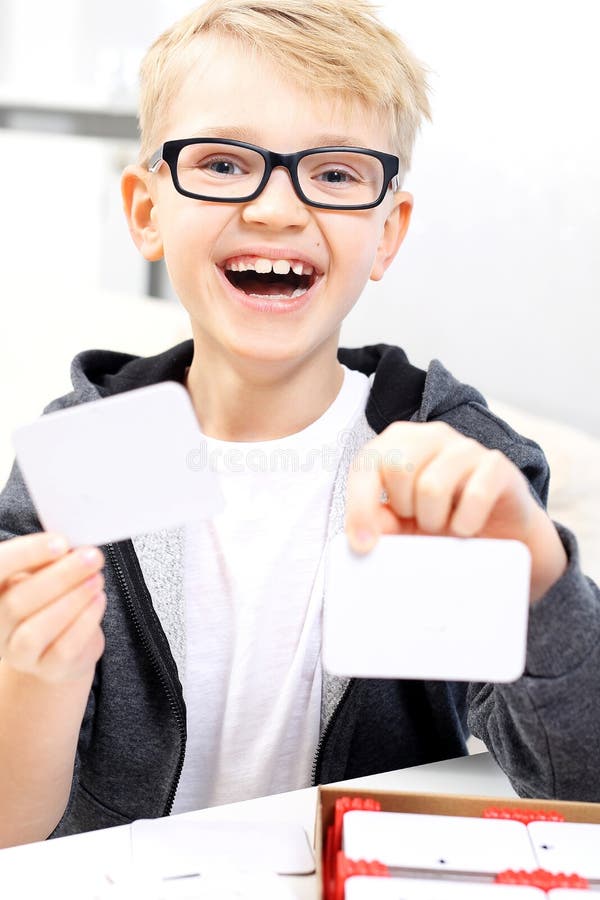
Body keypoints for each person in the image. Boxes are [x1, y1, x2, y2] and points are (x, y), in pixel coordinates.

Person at [1, 0, 599, 848]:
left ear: (389, 232)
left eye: (335, 173)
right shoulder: (80, 459)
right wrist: (33, 676)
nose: (277, 210)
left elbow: (579, 793)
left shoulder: (451, 453)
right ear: (145, 210)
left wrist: (541, 580)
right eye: (221, 161)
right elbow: (12, 838)